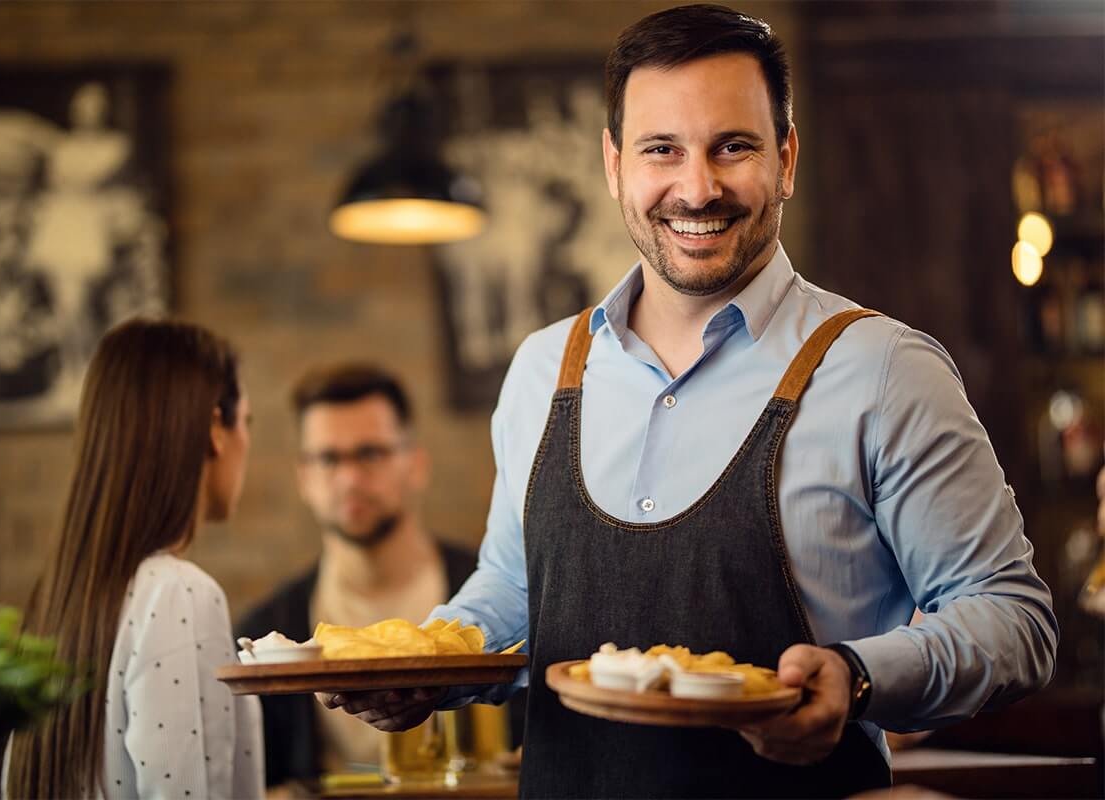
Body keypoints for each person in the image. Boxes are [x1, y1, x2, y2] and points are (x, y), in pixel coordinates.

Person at [321, 4, 1058, 798]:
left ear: (787, 157)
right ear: (614, 165)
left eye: (733, 147)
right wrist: (426, 666)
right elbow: (514, 590)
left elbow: (1014, 619)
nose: (697, 188)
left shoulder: (883, 370)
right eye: (660, 150)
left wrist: (856, 676)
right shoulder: (542, 370)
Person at [4, 318, 263, 798]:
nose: (248, 440)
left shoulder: (59, 596)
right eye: (247, 420)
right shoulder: (179, 592)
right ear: (215, 429)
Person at [237, 365, 522, 788]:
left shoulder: (503, 601)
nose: (351, 478)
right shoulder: (263, 632)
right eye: (329, 458)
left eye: (371, 453)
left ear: (416, 464)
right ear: (304, 479)